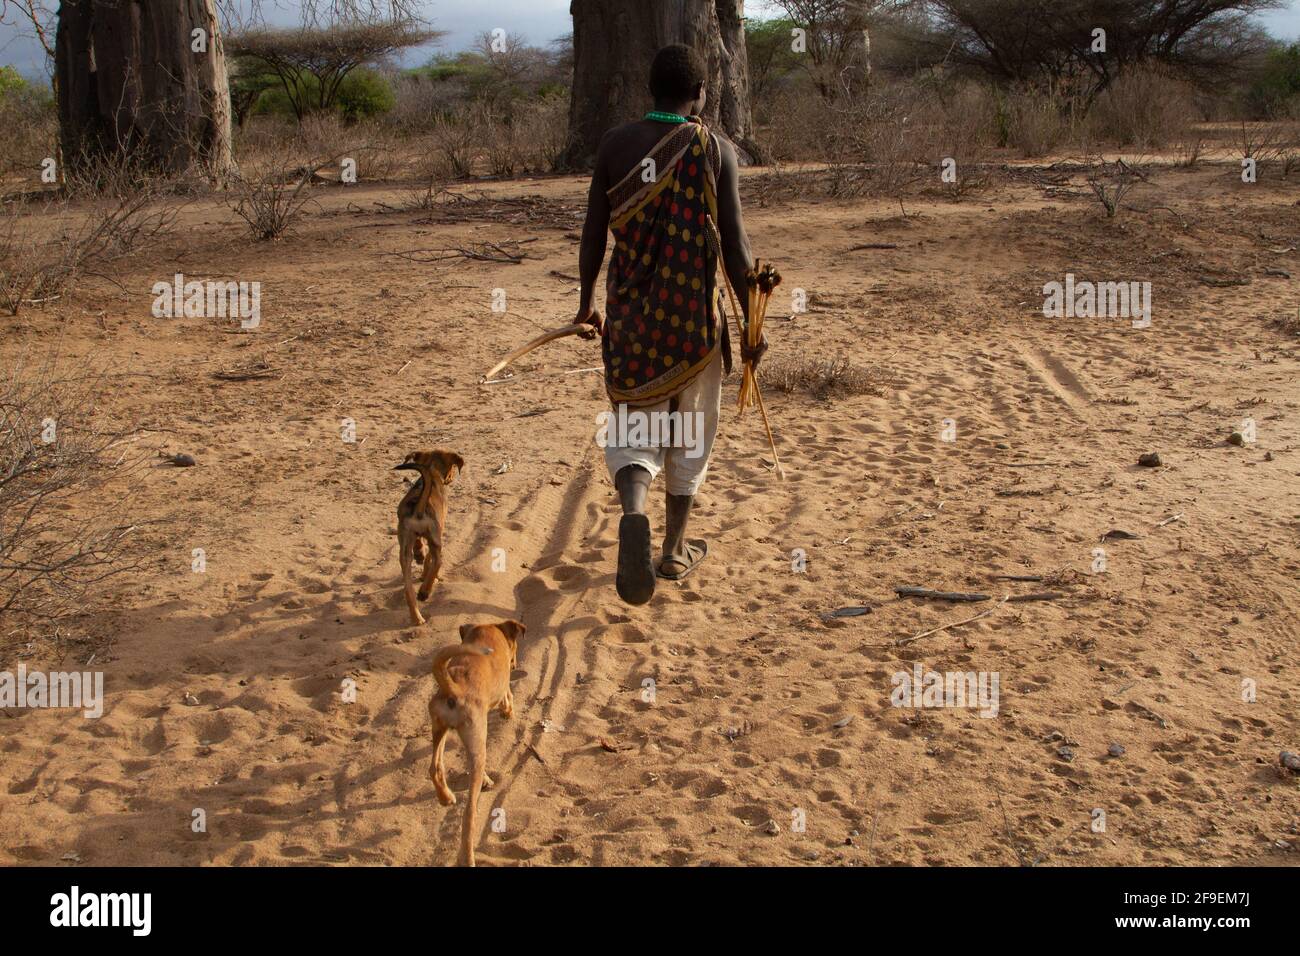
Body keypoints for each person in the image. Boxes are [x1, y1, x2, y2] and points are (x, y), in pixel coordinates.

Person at [574, 43, 765, 606]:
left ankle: (635, 512)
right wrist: (753, 315)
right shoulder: (716, 149)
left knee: (637, 433)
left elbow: (591, 235)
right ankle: (674, 550)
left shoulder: (614, 144)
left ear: (649, 92)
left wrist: (587, 303)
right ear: (700, 95)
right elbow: (735, 245)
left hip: (630, 325)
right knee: (689, 437)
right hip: (693, 329)